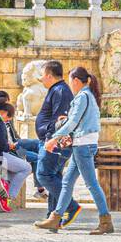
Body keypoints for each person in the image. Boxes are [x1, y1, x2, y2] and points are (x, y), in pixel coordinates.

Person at [34, 66, 114, 235]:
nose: (70, 85)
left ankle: (105, 220)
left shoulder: (83, 97)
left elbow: (73, 122)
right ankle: (55, 218)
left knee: (91, 184)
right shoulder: (88, 96)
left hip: (83, 146)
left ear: (76, 81)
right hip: (82, 145)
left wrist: (54, 138)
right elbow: (76, 121)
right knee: (67, 183)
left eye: (70, 81)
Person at [35, 60, 81, 227]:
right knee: (54, 177)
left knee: (44, 175)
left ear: (48, 75)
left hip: (54, 143)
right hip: (54, 142)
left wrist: (50, 139)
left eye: (42, 75)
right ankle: (54, 217)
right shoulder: (57, 90)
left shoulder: (60, 91)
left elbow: (60, 120)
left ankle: (71, 206)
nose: (41, 79)